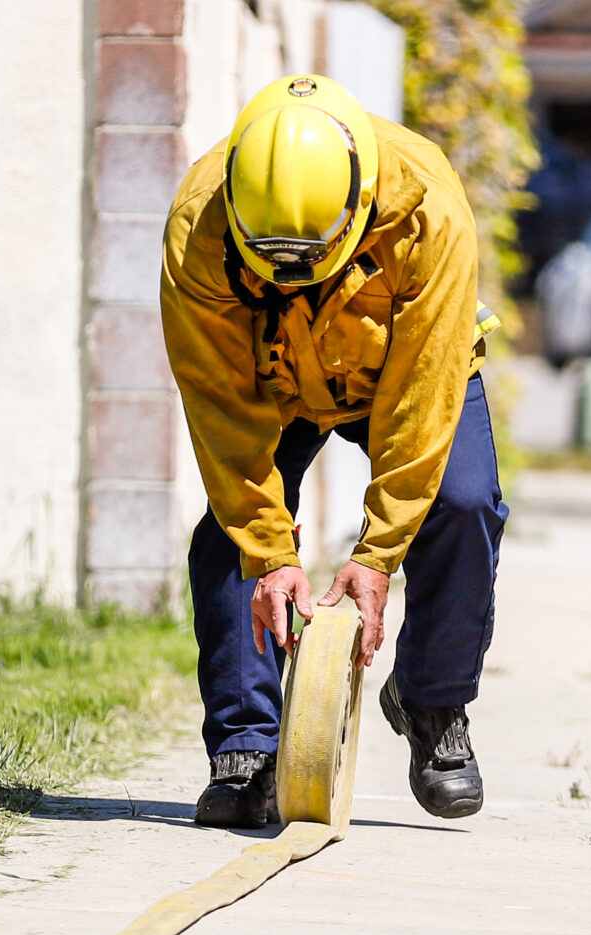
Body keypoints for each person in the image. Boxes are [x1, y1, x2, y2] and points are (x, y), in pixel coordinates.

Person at [160, 74, 509, 828]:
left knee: (463, 503)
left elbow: (422, 397)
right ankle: (247, 750)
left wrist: (378, 555)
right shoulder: (199, 226)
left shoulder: (426, 205)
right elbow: (219, 406)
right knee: (231, 541)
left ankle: (432, 704)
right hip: (275, 385)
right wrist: (268, 549)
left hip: (403, 371)